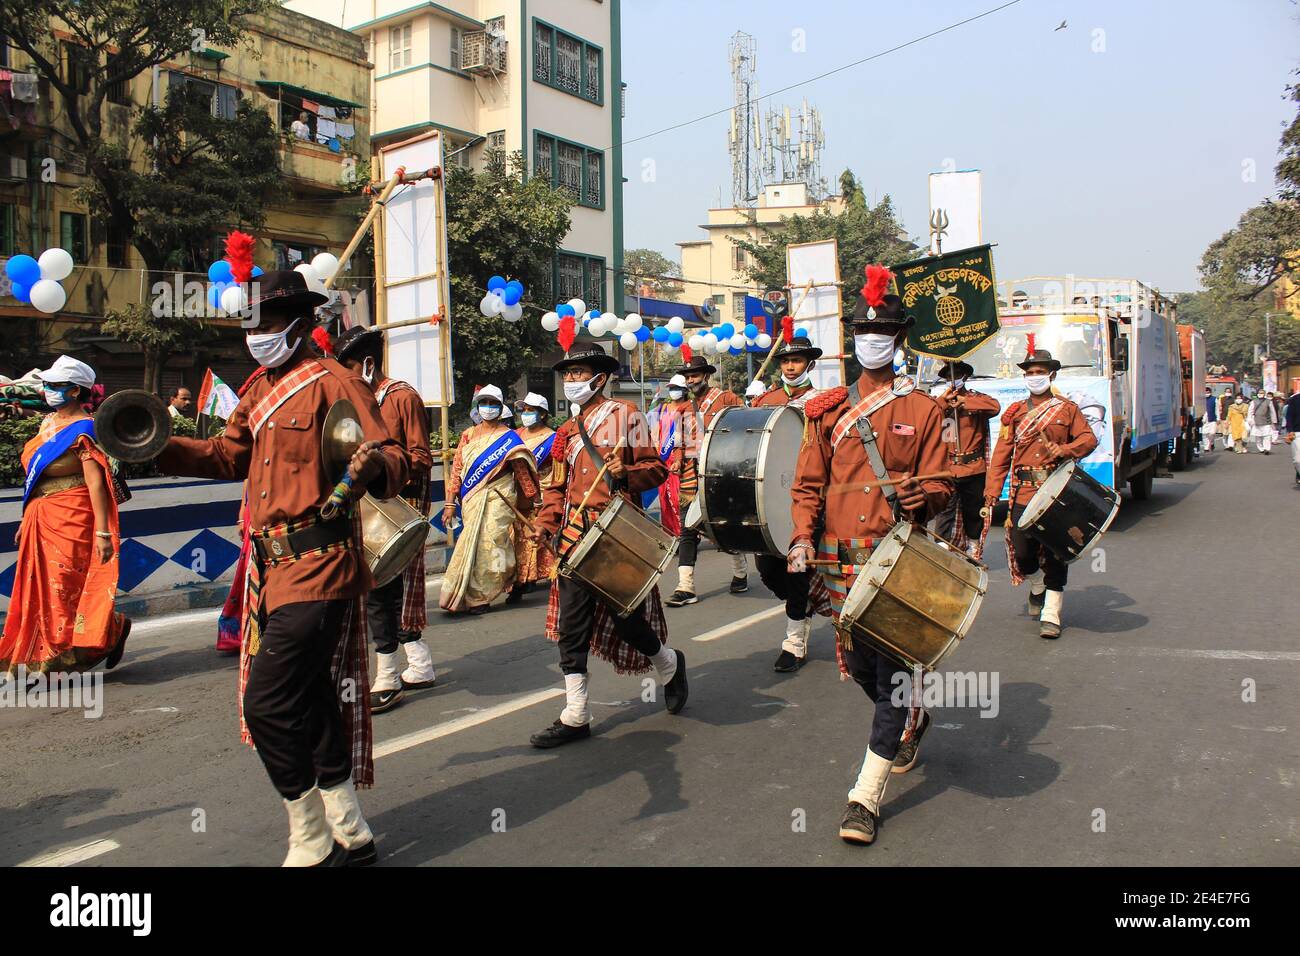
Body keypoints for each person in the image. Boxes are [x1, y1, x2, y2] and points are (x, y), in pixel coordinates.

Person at [157, 269, 410, 867]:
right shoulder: (258, 390)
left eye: (268, 325)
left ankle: (309, 837)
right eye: (252, 326)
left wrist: (369, 467)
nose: (257, 336)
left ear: (300, 325)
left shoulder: (334, 381)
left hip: (322, 562)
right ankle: (350, 829)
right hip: (271, 571)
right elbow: (227, 454)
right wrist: (155, 444)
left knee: (266, 703)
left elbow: (394, 455)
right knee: (313, 695)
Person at [788, 266, 953, 846]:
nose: (871, 337)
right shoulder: (827, 410)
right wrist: (803, 538)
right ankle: (912, 716)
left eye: (881, 329)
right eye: (861, 329)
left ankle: (864, 797)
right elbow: (807, 485)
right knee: (860, 667)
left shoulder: (924, 409)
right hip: (838, 557)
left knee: (890, 675)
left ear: (898, 339)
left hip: (897, 555)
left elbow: (944, 485)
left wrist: (924, 493)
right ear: (851, 339)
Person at [529, 345, 686, 748]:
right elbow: (557, 487)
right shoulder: (566, 431)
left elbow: (656, 469)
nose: (573, 381)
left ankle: (668, 664)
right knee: (572, 626)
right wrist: (546, 524)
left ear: (600, 377)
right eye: (569, 374)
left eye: (580, 373)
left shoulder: (627, 416)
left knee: (627, 622)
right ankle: (576, 714)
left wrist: (626, 471)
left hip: (616, 534)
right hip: (573, 538)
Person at [1, 356, 131, 675]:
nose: (47, 390)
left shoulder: (85, 429)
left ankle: (94, 639)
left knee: (64, 584)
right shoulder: (47, 424)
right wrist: (26, 518)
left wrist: (104, 533)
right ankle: (56, 650)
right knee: (42, 587)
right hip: (40, 516)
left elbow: (96, 482)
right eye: (47, 385)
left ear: (75, 391)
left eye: (54, 386)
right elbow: (38, 478)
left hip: (74, 515)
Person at [334, 326, 437, 715]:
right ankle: (418, 664)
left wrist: (384, 470)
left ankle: (388, 677)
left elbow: (421, 457)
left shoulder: (402, 397)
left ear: (368, 364)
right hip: (365, 507)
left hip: (398, 504)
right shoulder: (349, 401)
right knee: (377, 590)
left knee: (386, 591)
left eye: (348, 368)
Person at [983, 347, 1099, 639]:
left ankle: (1052, 610)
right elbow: (1000, 456)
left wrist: (1064, 450)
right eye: (1030, 372)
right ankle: (1036, 584)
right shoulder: (1015, 414)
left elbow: (1089, 439)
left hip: (1056, 491)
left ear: (1052, 374)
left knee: (1057, 552)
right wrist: (991, 494)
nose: (1035, 376)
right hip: (1023, 493)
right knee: (1023, 555)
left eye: (1040, 372)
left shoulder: (1066, 409)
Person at [750, 335, 834, 672]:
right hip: (770, 497)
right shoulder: (766, 400)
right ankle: (804, 606)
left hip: (810, 496)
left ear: (810, 364)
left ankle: (794, 641)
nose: (789, 366)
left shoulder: (825, 402)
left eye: (797, 361)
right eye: (785, 361)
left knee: (797, 567)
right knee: (768, 570)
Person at [439, 385, 538, 615]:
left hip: (499, 497)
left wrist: (535, 500)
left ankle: (482, 596)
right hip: (472, 498)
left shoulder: (509, 438)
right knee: (469, 545)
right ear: (477, 406)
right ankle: (463, 593)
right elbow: (457, 471)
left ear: (500, 407)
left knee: (493, 542)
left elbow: (521, 472)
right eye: (484, 403)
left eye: (493, 404)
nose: (488, 408)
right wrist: (449, 503)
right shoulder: (468, 435)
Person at [664, 354, 746, 606]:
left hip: (720, 471)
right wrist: (677, 458)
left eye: (695, 376)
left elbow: (745, 426)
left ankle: (740, 572)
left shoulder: (726, 399)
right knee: (687, 530)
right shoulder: (683, 410)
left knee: (725, 525)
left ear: (706, 376)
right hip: (691, 475)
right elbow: (678, 443)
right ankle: (685, 586)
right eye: (687, 377)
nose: (691, 381)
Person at [931, 360, 1001, 555]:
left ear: (966, 377)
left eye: (957, 375)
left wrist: (964, 402)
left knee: (973, 512)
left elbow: (995, 407)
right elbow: (926, 415)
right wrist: (945, 402)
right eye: (948, 376)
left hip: (973, 467)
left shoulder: (976, 399)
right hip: (948, 468)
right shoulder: (939, 401)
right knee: (944, 512)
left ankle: (973, 548)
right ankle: (941, 550)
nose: (952, 379)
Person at [508, 392, 558, 604]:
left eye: (531, 410)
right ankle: (519, 579)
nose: (526, 414)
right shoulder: (516, 434)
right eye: (524, 410)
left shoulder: (553, 438)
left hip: (544, 493)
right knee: (517, 539)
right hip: (517, 494)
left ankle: (526, 581)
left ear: (543, 414)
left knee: (535, 539)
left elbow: (557, 468)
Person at [1285, 382, 1300, 484]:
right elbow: (1289, 416)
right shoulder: (1295, 399)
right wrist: (1290, 430)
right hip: (1297, 432)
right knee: (1298, 460)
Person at [1201, 385, 1217, 453]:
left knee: (1212, 433)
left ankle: (1212, 442)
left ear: (1210, 392)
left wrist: (1218, 418)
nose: (1207, 393)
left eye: (1208, 392)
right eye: (1206, 392)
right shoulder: (1201, 400)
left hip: (1212, 418)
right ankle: (1206, 447)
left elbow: (1217, 409)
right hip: (1204, 420)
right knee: (1205, 433)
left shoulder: (1214, 399)